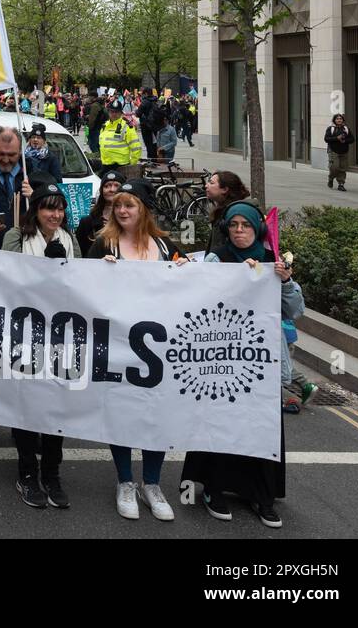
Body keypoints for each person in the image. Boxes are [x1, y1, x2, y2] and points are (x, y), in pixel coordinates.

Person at [180, 202, 302, 528]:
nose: (238, 230)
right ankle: (213, 490)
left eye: (245, 225)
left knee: (261, 427)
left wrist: (285, 281)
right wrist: (236, 280)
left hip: (261, 364)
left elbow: (294, 310)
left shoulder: (273, 263)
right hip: (222, 361)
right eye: (233, 225)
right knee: (222, 423)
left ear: (256, 229)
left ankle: (261, 494)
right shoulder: (217, 259)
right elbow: (201, 298)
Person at [84, 178, 186, 521]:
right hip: (117, 345)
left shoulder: (163, 244)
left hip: (159, 347)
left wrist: (187, 271)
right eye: (119, 205)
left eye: (130, 204)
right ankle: (125, 480)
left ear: (143, 209)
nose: (123, 210)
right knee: (122, 412)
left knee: (156, 413)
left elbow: (192, 289)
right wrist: (100, 274)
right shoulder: (103, 243)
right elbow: (81, 290)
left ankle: (152, 483)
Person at [1, 182, 79, 509]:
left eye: (60, 208)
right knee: (27, 404)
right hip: (24, 331)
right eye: (49, 208)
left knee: (54, 404)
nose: (55, 215)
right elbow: (0, 278)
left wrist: (62, 271)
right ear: (36, 210)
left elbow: (79, 288)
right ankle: (27, 471)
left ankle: (52, 471)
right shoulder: (16, 237)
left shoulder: (68, 240)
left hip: (59, 335)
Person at [75, 170, 124, 255]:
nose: (112, 189)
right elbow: (80, 254)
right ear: (101, 190)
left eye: (116, 186)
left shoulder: (128, 220)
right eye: (107, 186)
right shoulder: (87, 222)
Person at [204, 171, 251, 253]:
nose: (206, 186)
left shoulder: (233, 214)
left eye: (211, 183)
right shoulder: (223, 211)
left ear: (225, 189)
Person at [99, 101, 142, 177]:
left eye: (117, 112)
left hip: (121, 167)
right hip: (105, 165)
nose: (114, 114)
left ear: (121, 113)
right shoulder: (105, 126)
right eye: (112, 111)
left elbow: (136, 148)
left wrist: (131, 165)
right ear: (108, 112)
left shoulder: (127, 126)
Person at [324, 114, 354, 192]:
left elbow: (352, 139)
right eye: (337, 119)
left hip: (344, 151)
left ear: (343, 120)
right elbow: (326, 139)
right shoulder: (331, 129)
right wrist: (336, 138)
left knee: (343, 168)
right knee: (335, 167)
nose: (339, 120)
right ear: (334, 120)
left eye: (340, 119)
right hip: (333, 150)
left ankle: (341, 184)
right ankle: (331, 178)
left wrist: (345, 141)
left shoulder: (346, 128)